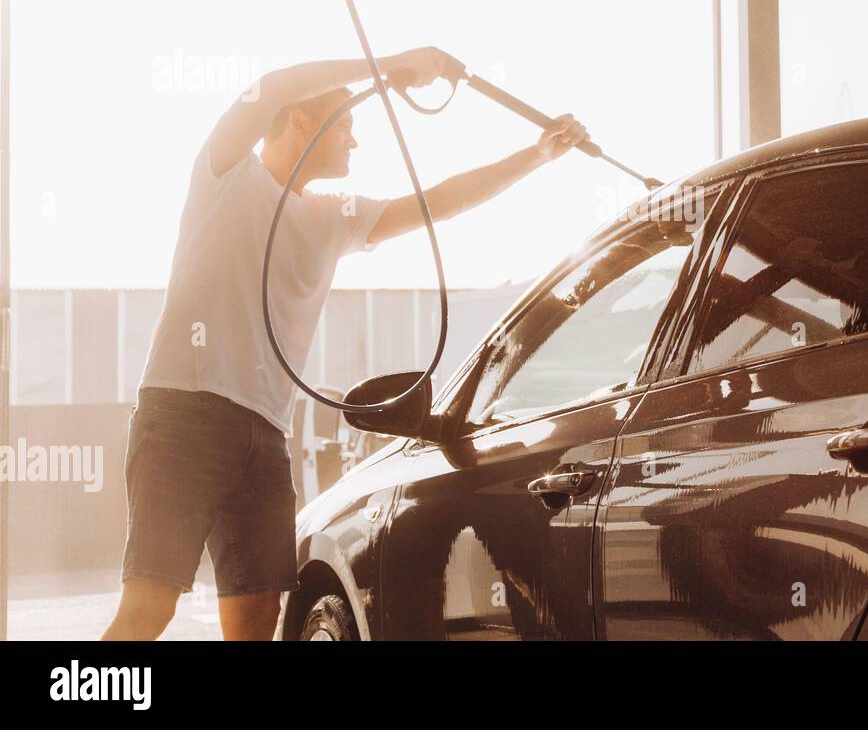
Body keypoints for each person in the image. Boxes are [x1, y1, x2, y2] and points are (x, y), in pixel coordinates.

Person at [101, 47, 588, 640]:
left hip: (265, 436)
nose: (356, 141)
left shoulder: (333, 219)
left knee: (255, 620)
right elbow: (272, 85)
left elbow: (439, 201)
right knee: (149, 609)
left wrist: (537, 156)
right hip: (186, 414)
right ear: (301, 121)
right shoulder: (224, 173)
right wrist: (389, 65)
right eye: (347, 123)